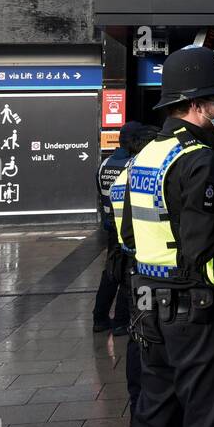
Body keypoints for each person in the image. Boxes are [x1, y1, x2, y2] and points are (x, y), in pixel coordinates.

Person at [120, 46, 214, 427]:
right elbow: (204, 249)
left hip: (146, 308)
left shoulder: (145, 158)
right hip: (194, 314)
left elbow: (128, 235)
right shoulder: (201, 159)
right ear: (196, 105)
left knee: (156, 421)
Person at [103, 122, 156, 418]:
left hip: (130, 264)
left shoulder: (121, 176)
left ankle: (138, 405)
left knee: (139, 336)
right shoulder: (152, 174)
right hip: (153, 265)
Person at [94, 122, 147, 335]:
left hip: (111, 228)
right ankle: (121, 321)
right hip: (127, 228)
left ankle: (99, 317)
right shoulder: (133, 165)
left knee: (110, 272)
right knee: (128, 274)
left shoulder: (105, 164)